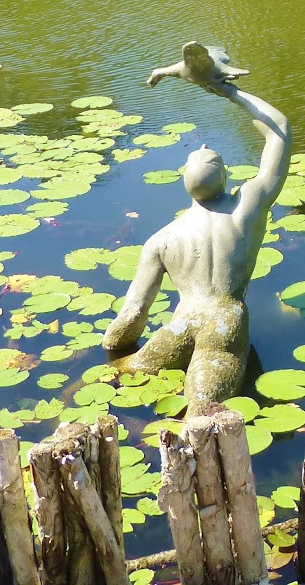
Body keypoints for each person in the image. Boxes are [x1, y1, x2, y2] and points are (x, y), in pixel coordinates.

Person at [101, 45, 291, 410]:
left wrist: (112, 347)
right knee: (205, 408)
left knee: (127, 370)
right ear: (224, 176)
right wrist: (230, 92)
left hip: (180, 324)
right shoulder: (245, 208)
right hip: (224, 324)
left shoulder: (162, 240)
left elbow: (131, 316)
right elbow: (278, 132)